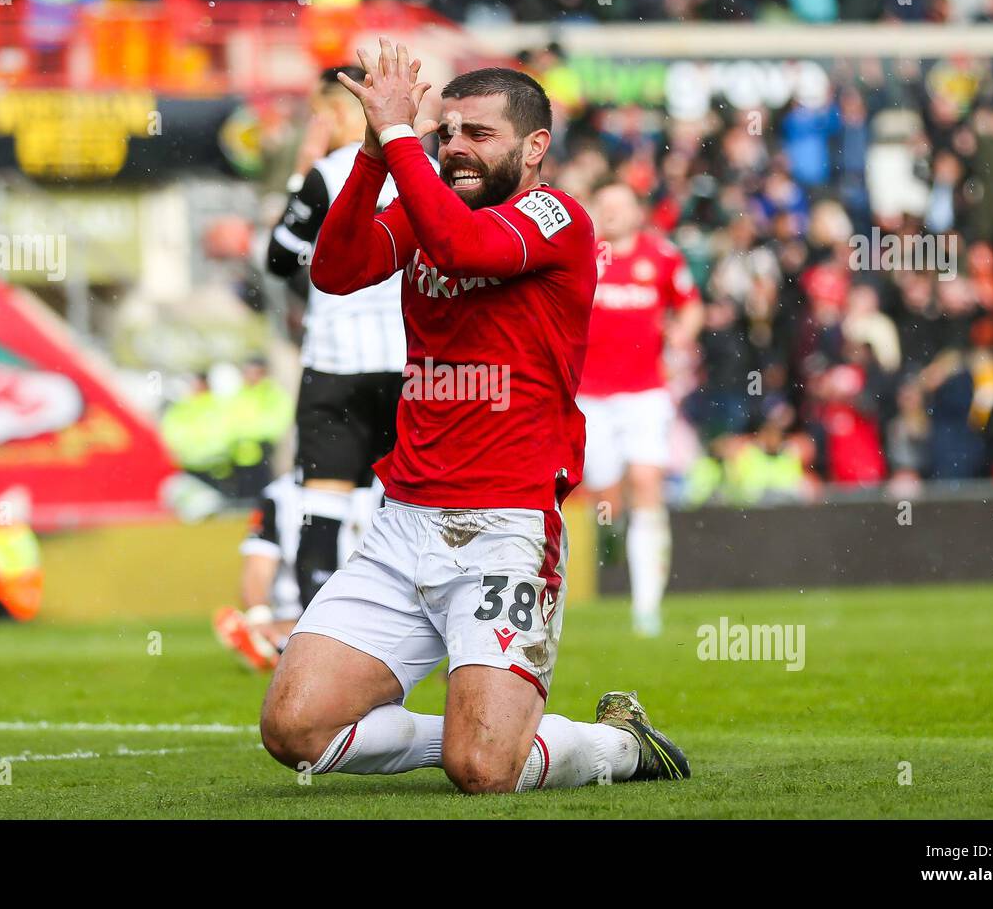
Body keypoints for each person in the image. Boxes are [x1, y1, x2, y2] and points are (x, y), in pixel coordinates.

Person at [259, 39, 691, 794]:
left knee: (486, 772)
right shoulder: (434, 208)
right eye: (445, 131)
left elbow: (460, 252)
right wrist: (371, 153)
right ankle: (475, 735)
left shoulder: (556, 214)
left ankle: (619, 746)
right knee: (295, 730)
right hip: (404, 522)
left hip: (504, 528)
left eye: (477, 134)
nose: (454, 148)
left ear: (534, 147)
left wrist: (402, 141)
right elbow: (334, 269)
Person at [265, 66, 436, 611]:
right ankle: (407, 629)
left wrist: (300, 175)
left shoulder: (328, 174)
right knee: (404, 508)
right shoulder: (431, 172)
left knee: (323, 503)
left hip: (339, 365)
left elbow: (277, 259)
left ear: (340, 113)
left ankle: (319, 634)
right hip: (414, 367)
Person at [578, 182, 703, 637]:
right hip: (589, 395)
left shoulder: (663, 256)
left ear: (637, 211)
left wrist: (680, 336)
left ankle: (646, 607)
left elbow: (690, 307)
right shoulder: (583, 253)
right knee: (606, 496)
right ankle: (611, 531)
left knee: (648, 482)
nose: (611, 213)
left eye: (619, 206)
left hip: (645, 391)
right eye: (604, 206)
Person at [213, 472, 382, 671]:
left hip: (367, 613)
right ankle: (277, 643)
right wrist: (259, 616)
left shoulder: (387, 488)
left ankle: (281, 650)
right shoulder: (279, 494)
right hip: (295, 615)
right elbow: (258, 565)